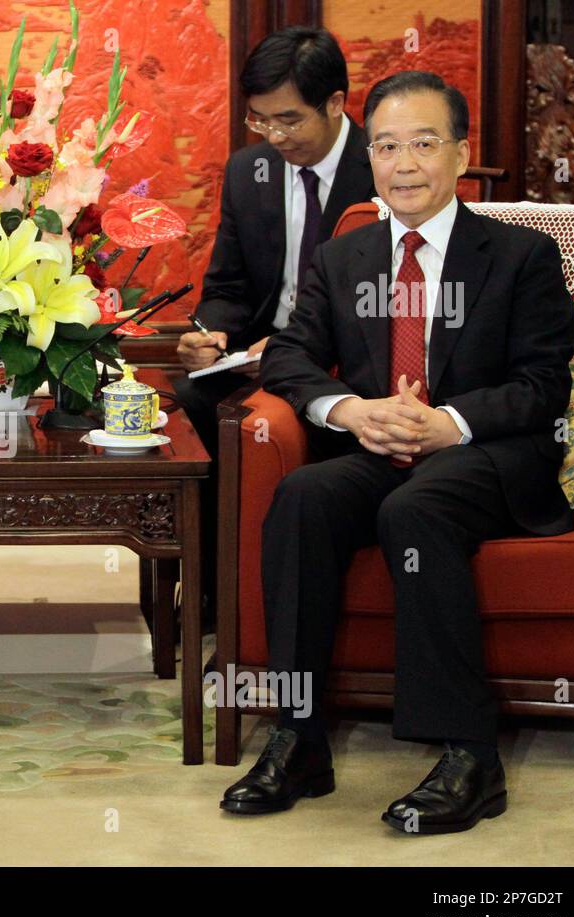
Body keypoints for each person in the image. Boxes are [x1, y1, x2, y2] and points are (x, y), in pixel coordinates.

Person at [220, 71, 574, 835]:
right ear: (370, 157)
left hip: (490, 456)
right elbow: (288, 356)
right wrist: (353, 410)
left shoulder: (522, 256)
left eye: (424, 143)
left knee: (418, 507)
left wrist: (446, 422)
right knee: (305, 495)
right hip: (380, 445)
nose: (404, 164)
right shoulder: (343, 258)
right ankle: (299, 734)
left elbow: (543, 387)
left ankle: (469, 755)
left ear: (460, 153)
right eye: (386, 146)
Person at [174, 27, 375, 624]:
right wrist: (209, 335)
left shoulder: (383, 167)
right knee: (193, 396)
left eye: (290, 120)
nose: (276, 137)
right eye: (261, 121)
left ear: (336, 104)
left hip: (345, 360)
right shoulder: (248, 172)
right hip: (256, 356)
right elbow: (229, 287)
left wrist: (292, 347)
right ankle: (217, 592)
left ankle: (273, 595)